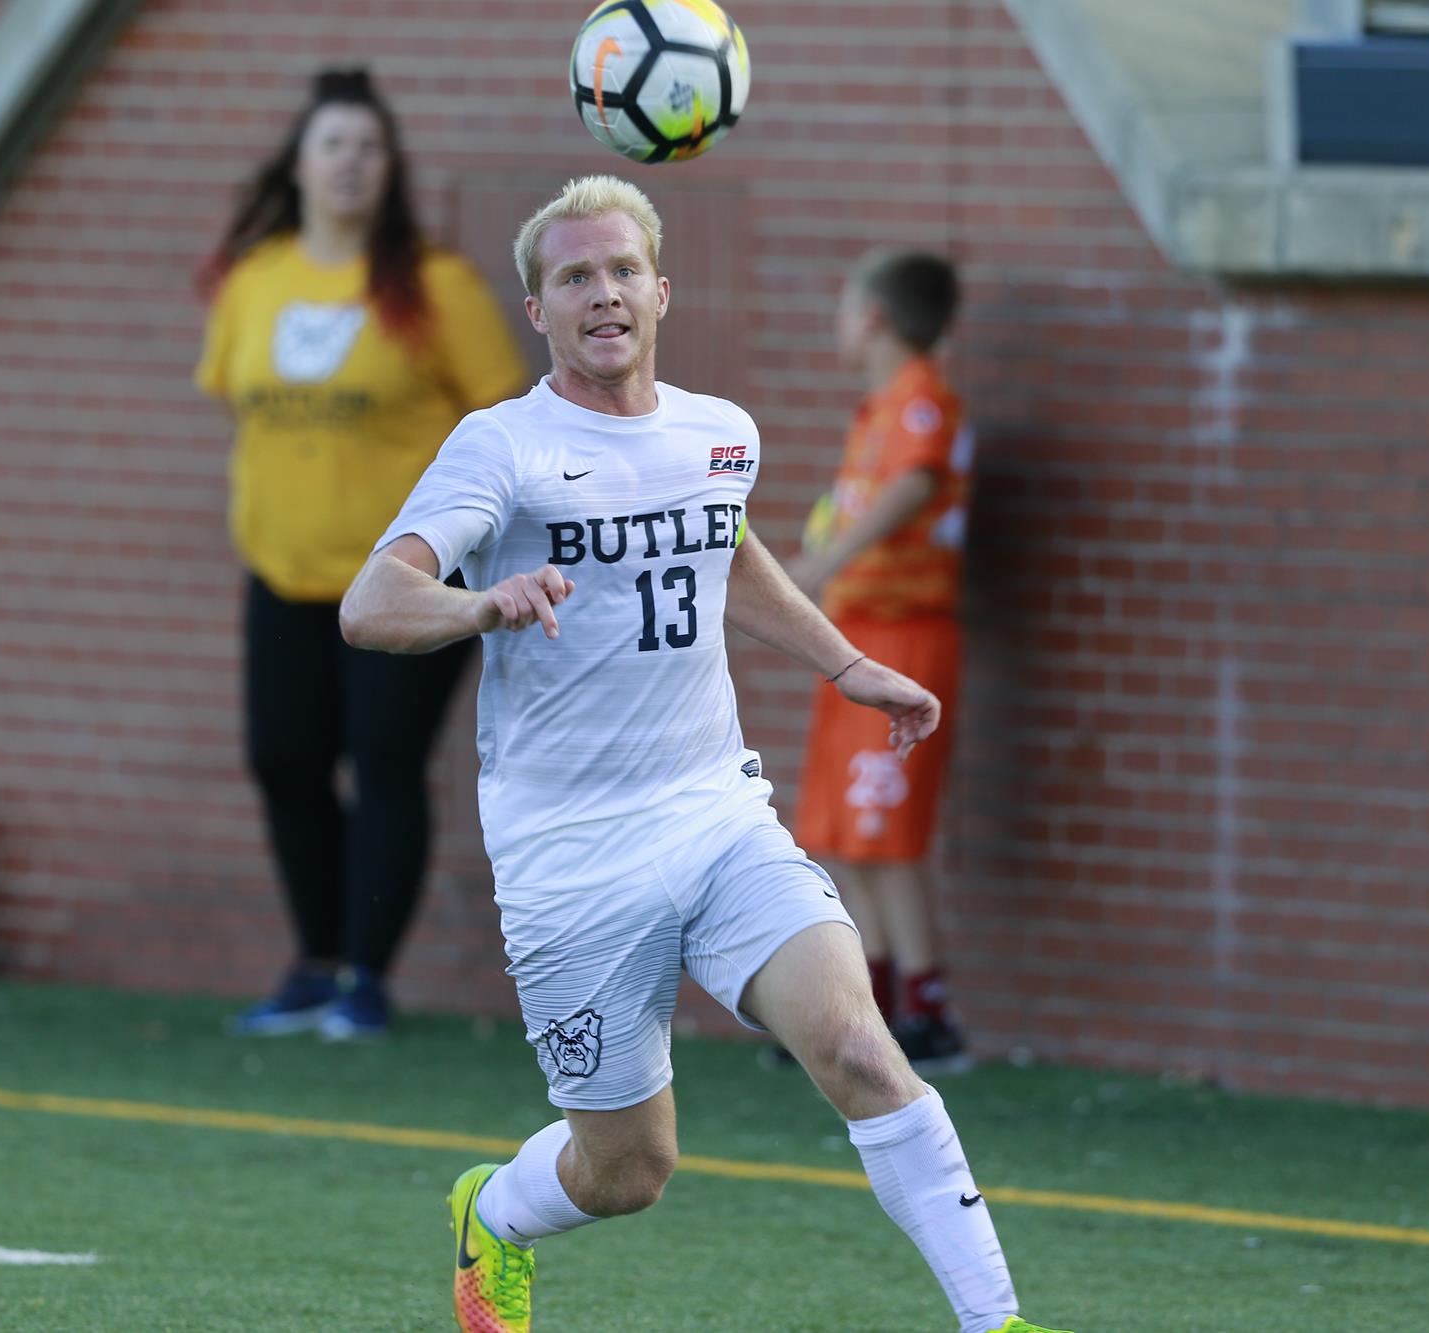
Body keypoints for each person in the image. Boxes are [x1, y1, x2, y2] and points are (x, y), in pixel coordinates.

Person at [338, 177, 1069, 1333]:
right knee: (627, 1170)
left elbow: (721, 548)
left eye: (621, 269)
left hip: (713, 814)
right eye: (574, 276)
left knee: (858, 1047)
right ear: (538, 310)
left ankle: (998, 1323)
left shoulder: (717, 433)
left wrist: (843, 663)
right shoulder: (502, 444)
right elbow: (370, 603)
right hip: (567, 852)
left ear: (660, 291)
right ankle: (496, 1212)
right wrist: (480, 604)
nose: (602, 292)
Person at [195, 68, 526, 1041]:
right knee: (283, 761)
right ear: (298, 164)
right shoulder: (254, 282)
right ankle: (315, 963)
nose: (351, 162)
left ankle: (365, 980)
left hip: (408, 581)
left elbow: (504, 425)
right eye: (333, 144)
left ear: (391, 169)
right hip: (283, 573)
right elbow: (236, 403)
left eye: (369, 147)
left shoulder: (435, 285)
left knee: (384, 761)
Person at [786, 248, 974, 1071]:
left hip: (902, 638)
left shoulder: (920, 399)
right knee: (842, 833)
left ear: (872, 319)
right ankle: (875, 1005)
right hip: (858, 638)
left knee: (884, 832)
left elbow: (915, 483)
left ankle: (928, 1015)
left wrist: (824, 563)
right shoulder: (879, 408)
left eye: (844, 307)